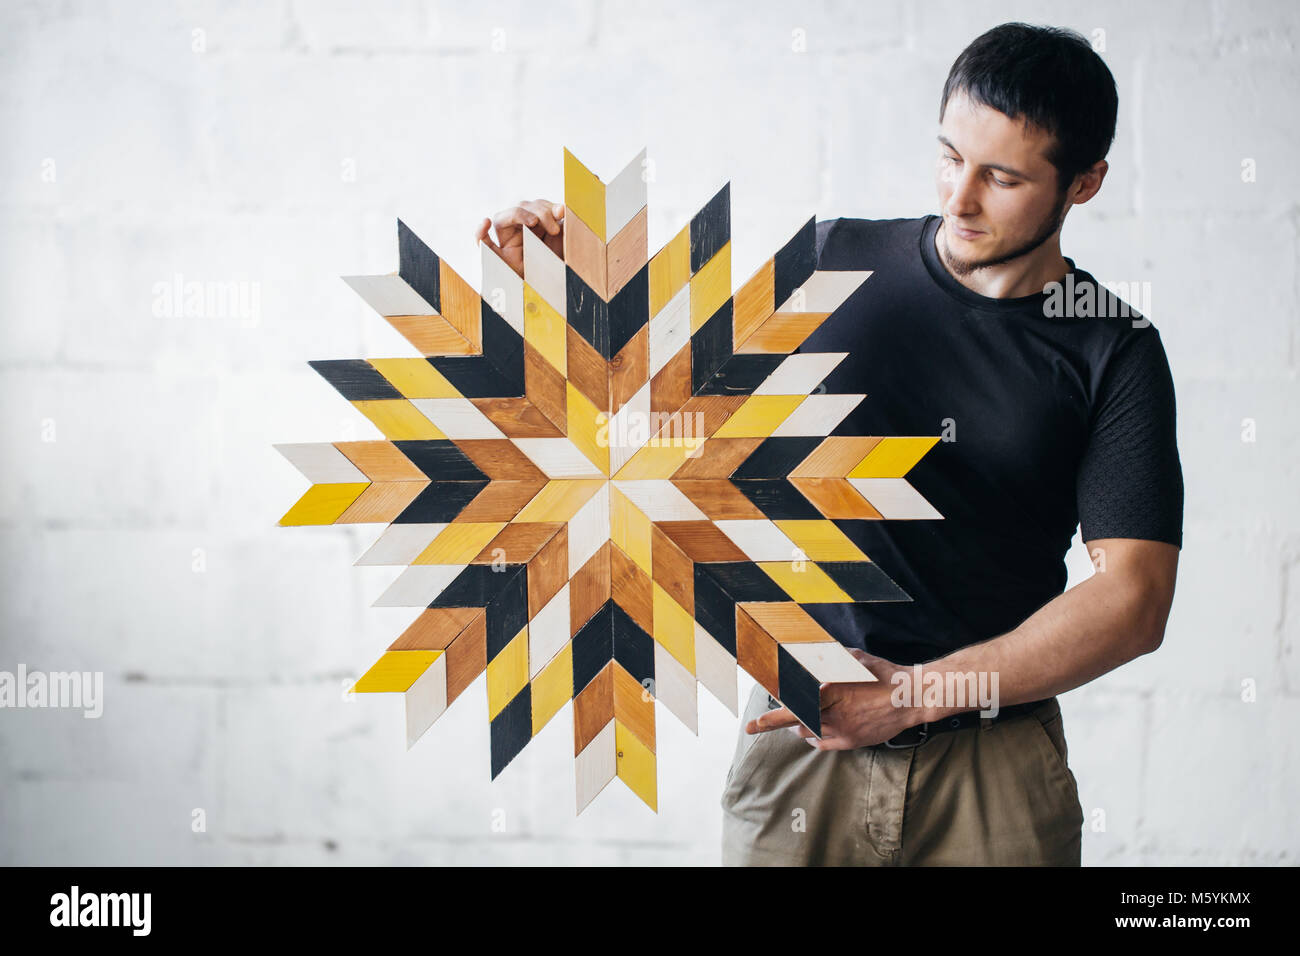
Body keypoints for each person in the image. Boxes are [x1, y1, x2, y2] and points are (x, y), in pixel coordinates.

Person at [476, 22, 1182, 866]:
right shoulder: (834, 258)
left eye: (1002, 177)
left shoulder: (1113, 348)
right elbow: (666, 419)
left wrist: (912, 697)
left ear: (1086, 182)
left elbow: (1132, 602)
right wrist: (570, 295)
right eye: (951, 156)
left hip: (994, 771)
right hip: (804, 739)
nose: (960, 198)